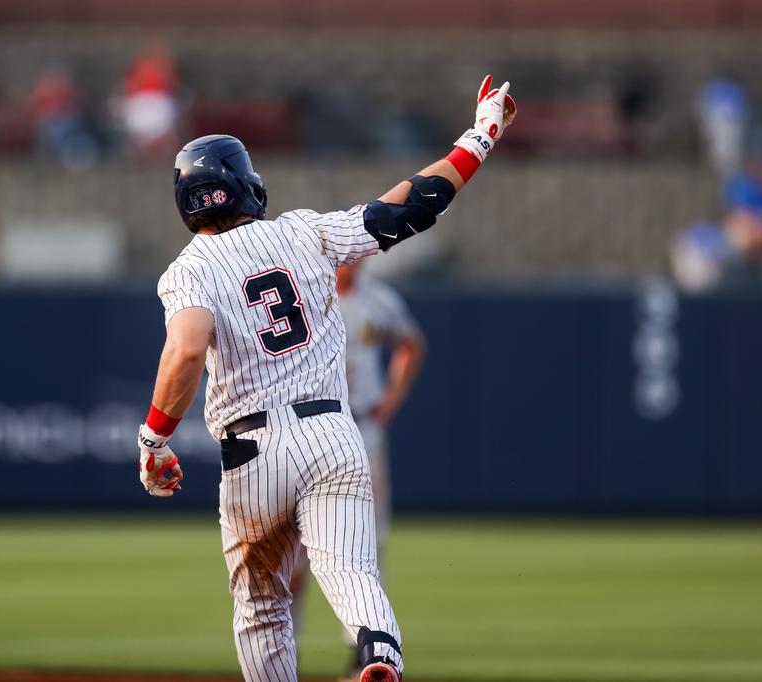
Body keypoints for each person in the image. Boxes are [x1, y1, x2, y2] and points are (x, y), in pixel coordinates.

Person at [136, 75, 516, 682]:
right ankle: (377, 652)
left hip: (252, 450)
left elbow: (184, 354)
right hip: (333, 434)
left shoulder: (188, 272)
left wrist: (154, 440)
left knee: (263, 608)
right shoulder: (302, 232)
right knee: (350, 570)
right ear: (244, 184)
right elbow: (409, 207)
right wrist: (480, 137)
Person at [290, 259, 426, 680]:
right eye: (341, 253)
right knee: (292, 549)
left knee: (367, 540)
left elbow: (411, 343)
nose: (350, 260)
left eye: (355, 254)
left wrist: (392, 395)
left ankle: (362, 652)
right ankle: (282, 651)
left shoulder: (377, 300)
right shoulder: (304, 293)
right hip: (310, 428)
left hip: (363, 425)